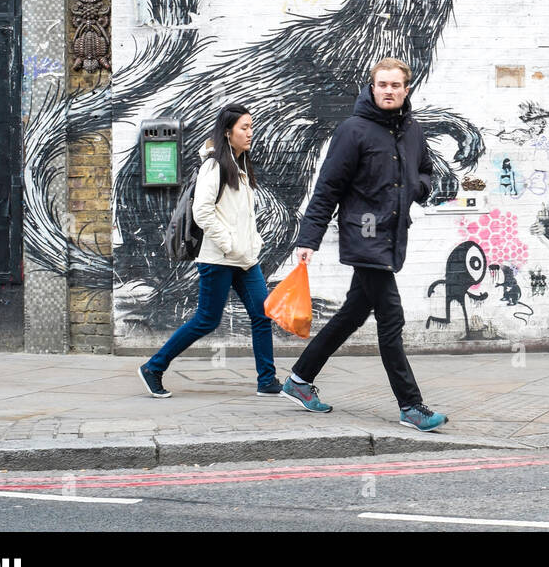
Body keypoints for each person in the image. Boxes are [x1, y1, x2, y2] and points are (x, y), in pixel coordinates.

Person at [279, 57, 449, 432]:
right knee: (392, 319)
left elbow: (425, 172)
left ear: (406, 90)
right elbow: (328, 188)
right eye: (382, 84)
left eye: (395, 85)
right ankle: (411, 406)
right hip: (365, 237)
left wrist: (419, 188)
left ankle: (299, 379)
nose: (388, 90)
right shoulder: (353, 131)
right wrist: (309, 237)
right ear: (372, 88)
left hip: (392, 239)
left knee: (353, 313)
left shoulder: (412, 131)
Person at [138, 104, 280, 397]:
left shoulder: (240, 166)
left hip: (245, 259)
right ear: (228, 133)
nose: (250, 133)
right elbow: (202, 212)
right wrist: (228, 243)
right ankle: (154, 367)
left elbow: (240, 214)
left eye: (251, 127)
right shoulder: (214, 166)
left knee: (262, 314)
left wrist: (251, 243)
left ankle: (267, 380)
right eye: (245, 128)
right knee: (207, 319)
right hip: (219, 259)